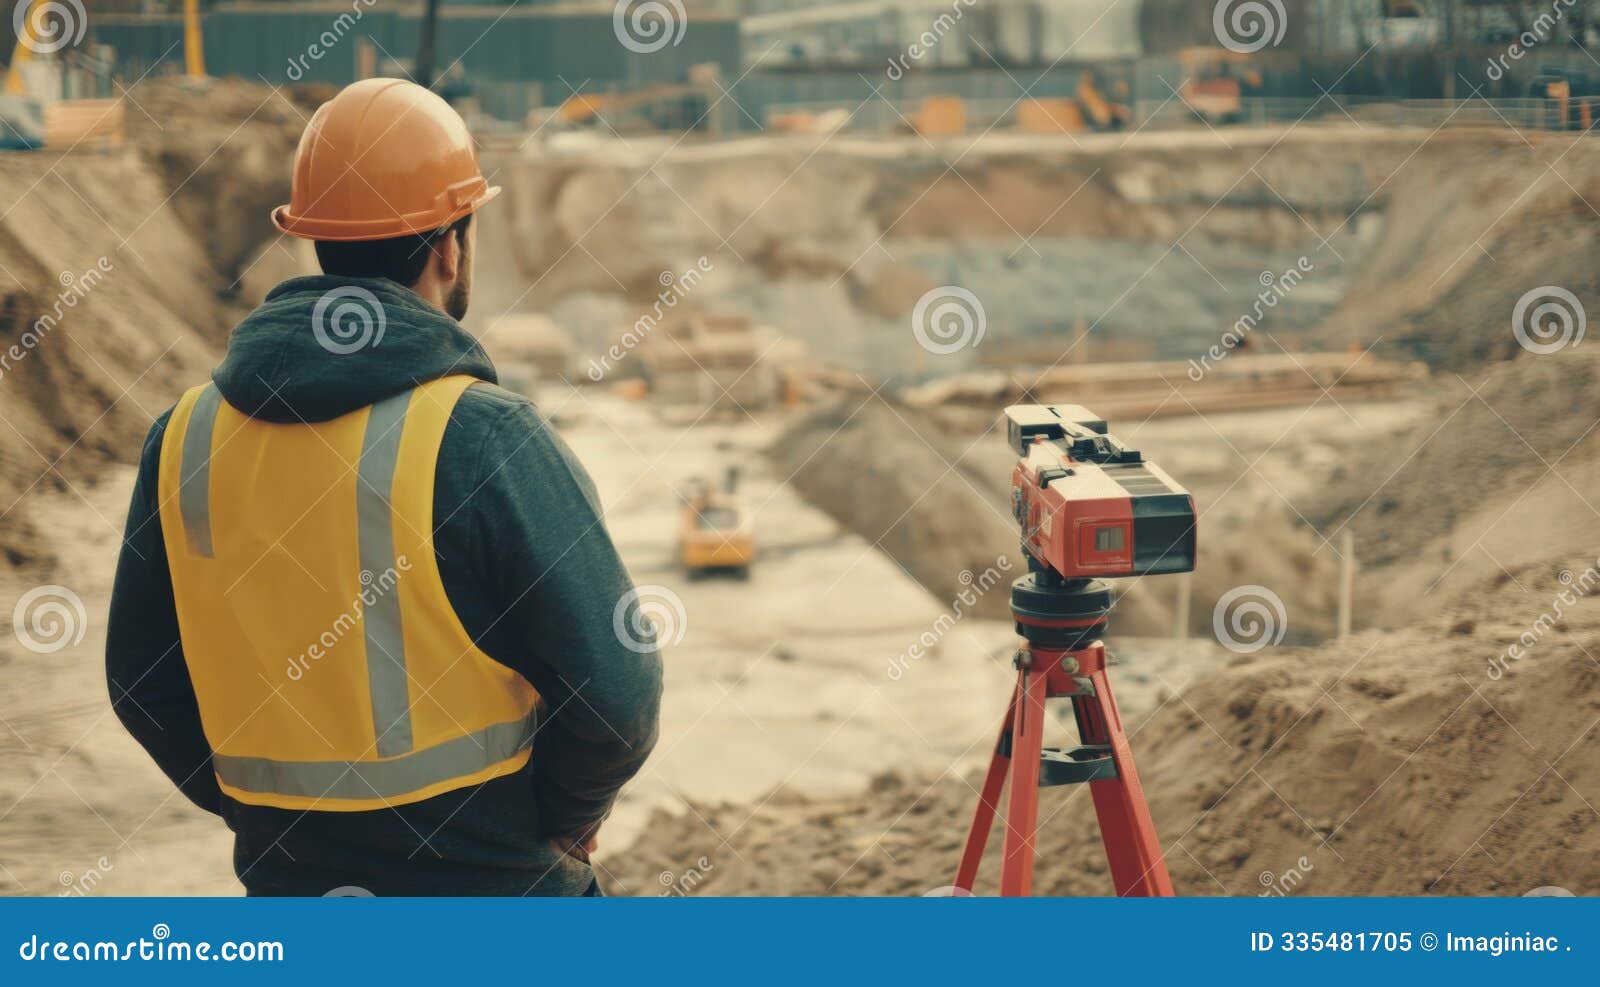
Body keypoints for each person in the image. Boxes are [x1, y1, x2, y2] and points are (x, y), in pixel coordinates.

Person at [105, 78, 661, 896]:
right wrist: (556, 815)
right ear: (450, 246)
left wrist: (266, 815)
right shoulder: (484, 438)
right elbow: (618, 693)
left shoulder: (181, 439)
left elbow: (139, 681)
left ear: (311, 239)